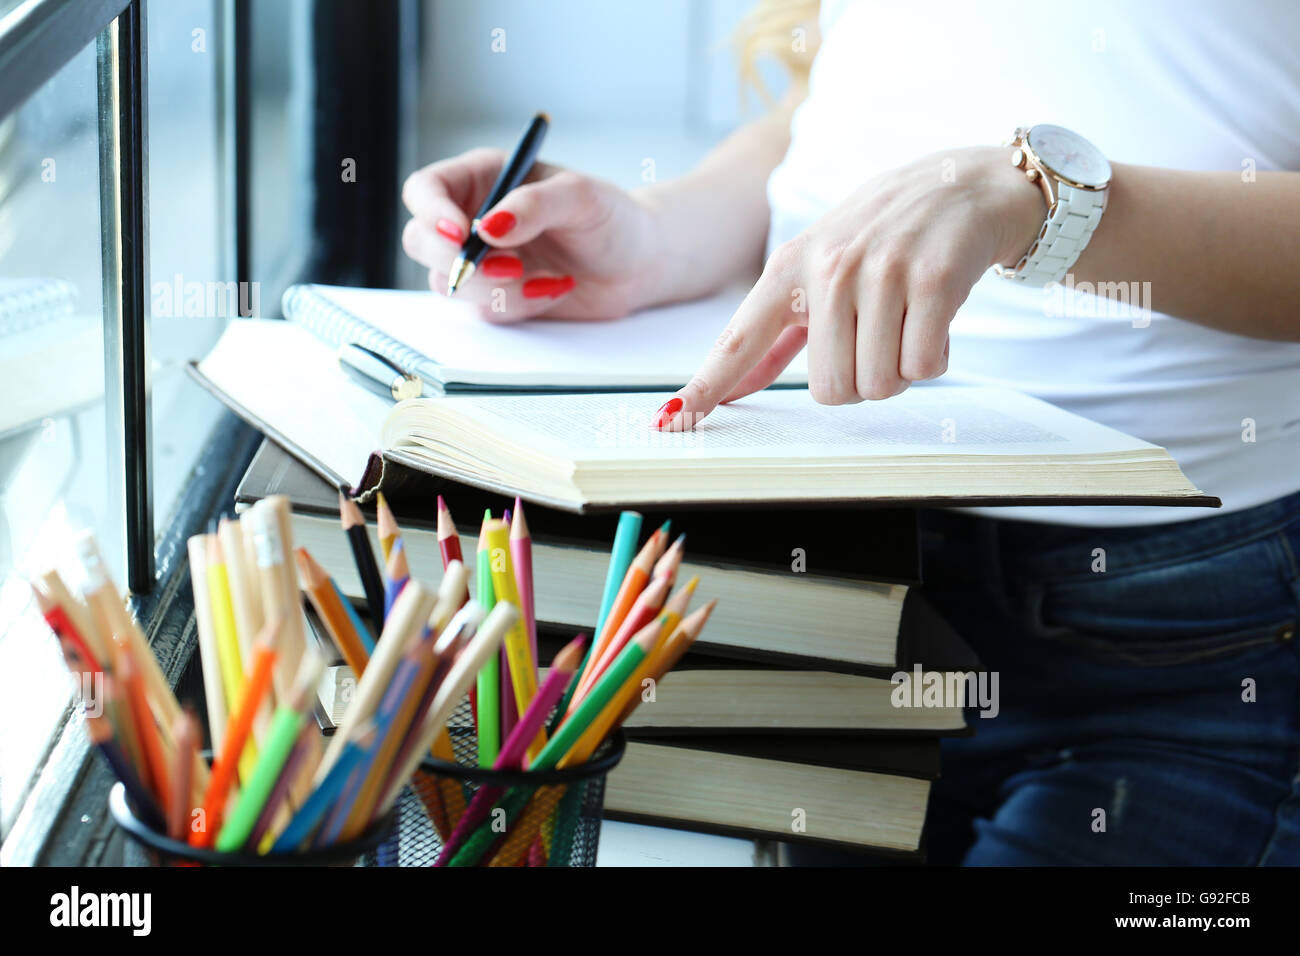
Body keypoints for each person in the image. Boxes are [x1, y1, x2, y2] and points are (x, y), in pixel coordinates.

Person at [400, 0, 1300, 865]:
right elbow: (838, 99)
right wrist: (657, 234)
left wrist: (1039, 195)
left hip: (1175, 627)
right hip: (831, 569)